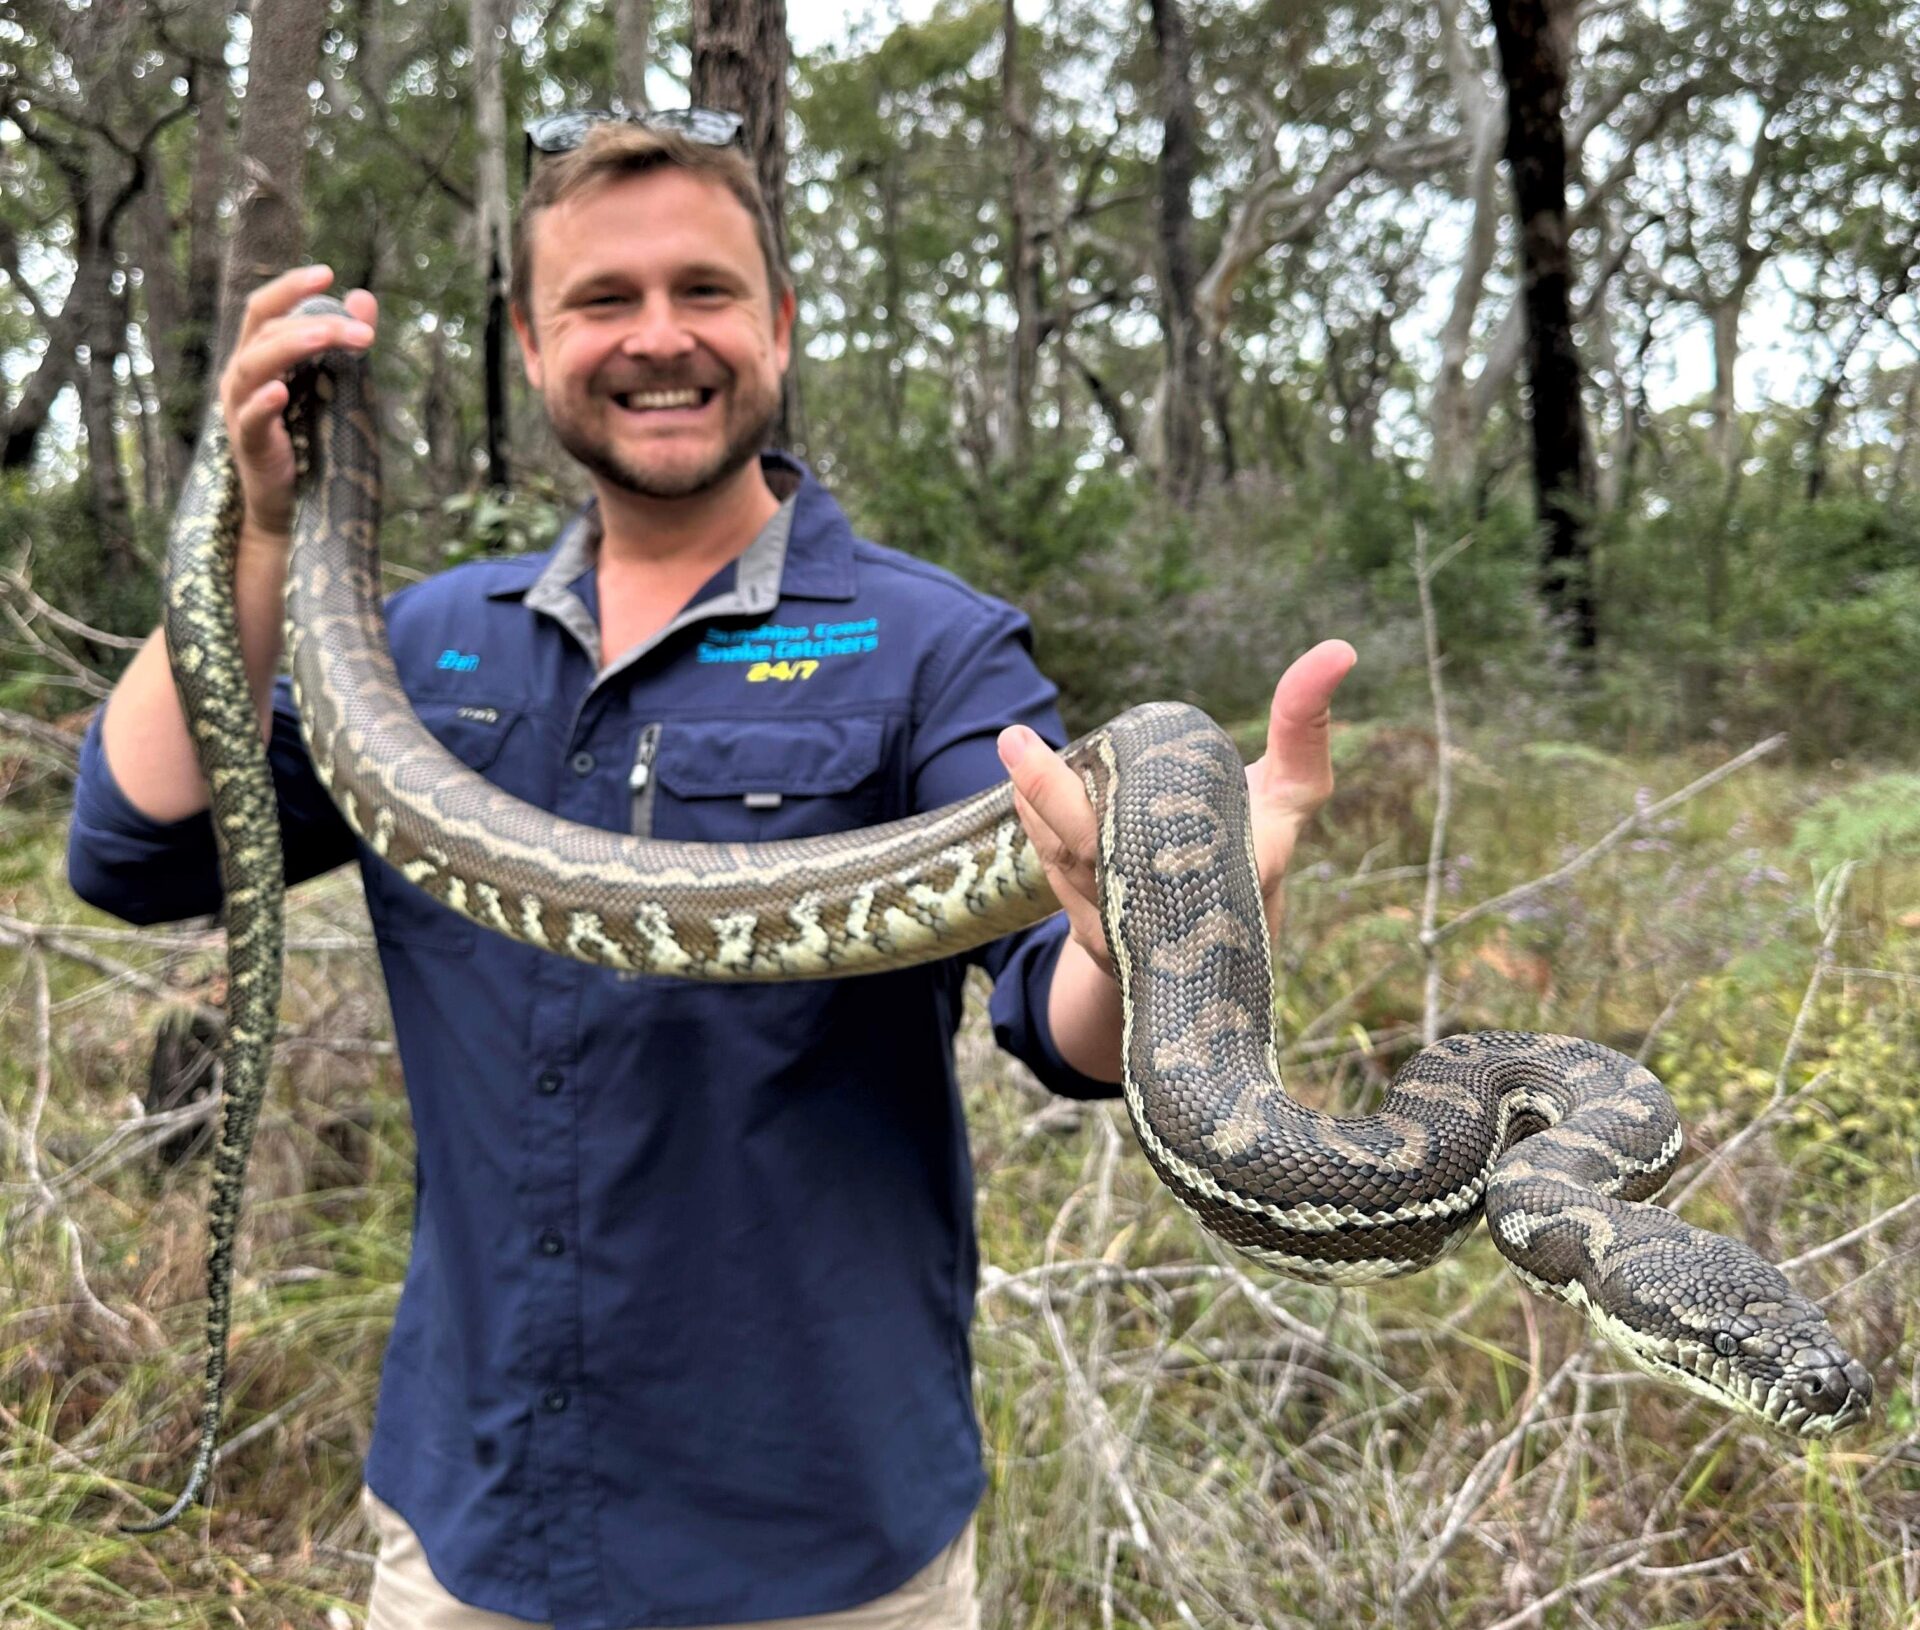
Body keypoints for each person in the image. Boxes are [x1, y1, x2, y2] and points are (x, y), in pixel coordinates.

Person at [68, 112, 1354, 1630]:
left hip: (821, 1544)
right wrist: (260, 533)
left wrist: (1179, 925)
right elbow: (137, 851)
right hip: (475, 1525)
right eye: (602, 300)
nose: (658, 336)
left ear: (782, 325)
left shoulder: (933, 646)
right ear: (532, 344)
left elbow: (1062, 1024)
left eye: (707, 290)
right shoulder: (418, 650)